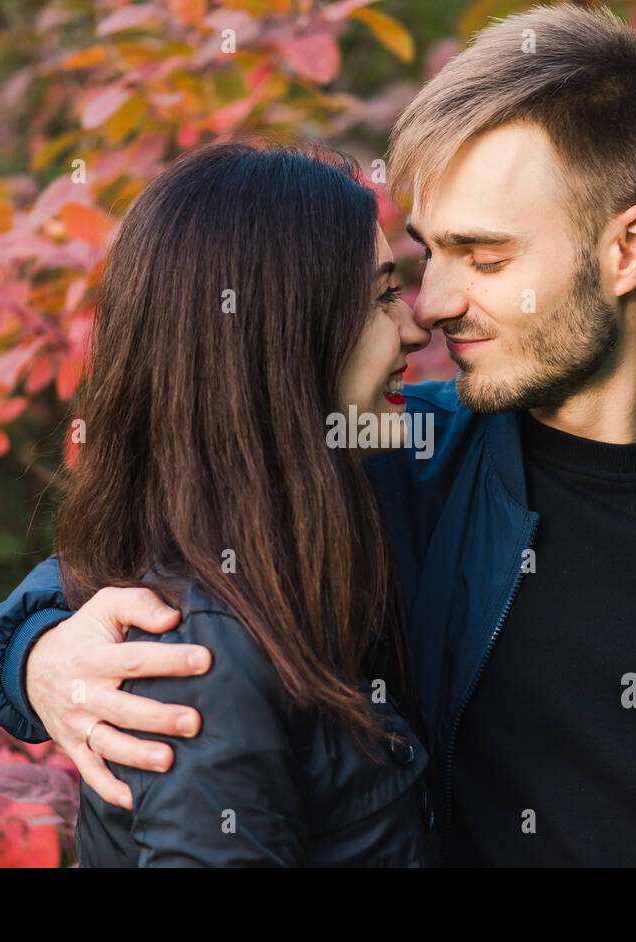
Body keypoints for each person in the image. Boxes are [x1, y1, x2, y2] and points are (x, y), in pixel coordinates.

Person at [0, 5, 636, 866]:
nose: (434, 304)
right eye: (429, 254)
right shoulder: (383, 467)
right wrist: (38, 654)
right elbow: (160, 557)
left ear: (629, 249)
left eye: (486, 256)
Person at [40, 141, 436, 865]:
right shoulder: (202, 661)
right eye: (383, 297)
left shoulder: (295, 567)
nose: (417, 325)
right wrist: (30, 649)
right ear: (284, 344)